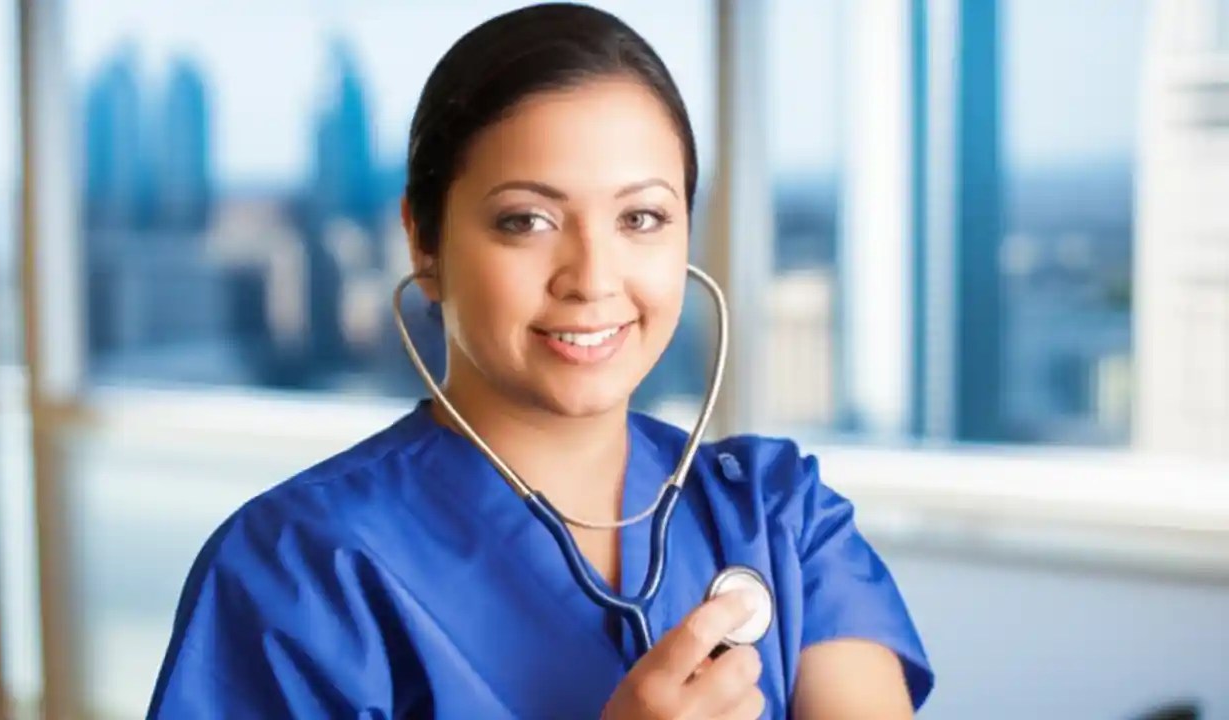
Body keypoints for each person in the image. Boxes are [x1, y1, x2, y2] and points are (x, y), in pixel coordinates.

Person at [147, 3, 934, 717]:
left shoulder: (779, 519)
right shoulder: (298, 572)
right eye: (526, 220)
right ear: (423, 240)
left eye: (642, 217)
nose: (591, 277)